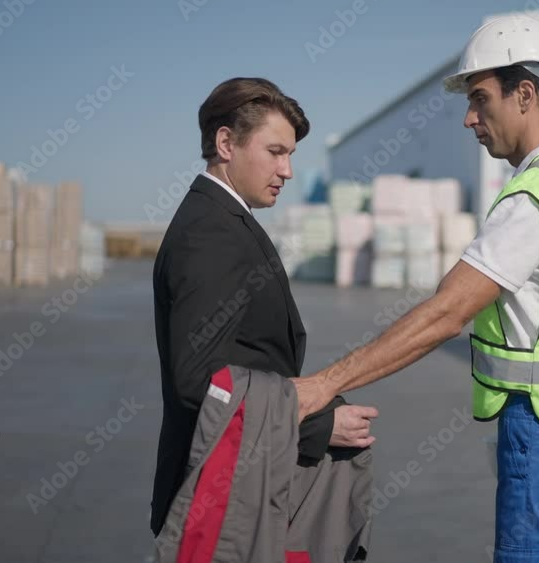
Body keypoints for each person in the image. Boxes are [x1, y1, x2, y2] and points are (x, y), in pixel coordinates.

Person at [295, 15, 539, 563]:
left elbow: (444, 314)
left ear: (525, 95)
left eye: (480, 99)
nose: (469, 118)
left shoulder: (533, 200)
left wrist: (322, 385)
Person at [150, 77, 378, 537]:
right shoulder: (210, 234)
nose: (287, 170)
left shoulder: (226, 219)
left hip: (238, 481)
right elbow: (197, 382)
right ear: (226, 144)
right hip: (214, 498)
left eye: (290, 154)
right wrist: (315, 425)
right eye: (275, 152)